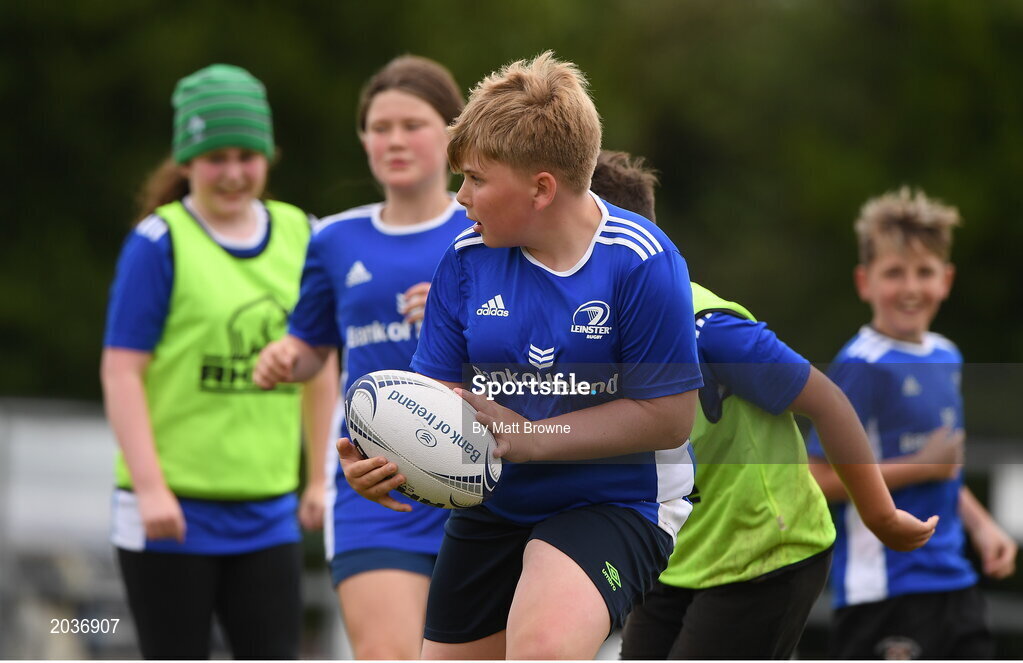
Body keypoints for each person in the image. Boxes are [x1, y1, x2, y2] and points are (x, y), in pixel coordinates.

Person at [332, 51, 703, 660]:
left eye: (477, 179)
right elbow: (434, 399)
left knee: (542, 649)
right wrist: (382, 454)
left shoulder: (640, 262)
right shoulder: (466, 259)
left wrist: (532, 436)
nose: (459, 197)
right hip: (495, 503)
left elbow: (670, 416)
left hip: (615, 501)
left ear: (541, 189)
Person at [588, 151, 938, 659]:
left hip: (767, 556)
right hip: (677, 555)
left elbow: (830, 402)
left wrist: (881, 517)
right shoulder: (582, 330)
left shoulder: (710, 331)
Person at [101, 64, 335, 659]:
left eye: (246, 155)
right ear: (186, 162)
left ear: (268, 156)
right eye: (215, 157)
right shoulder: (159, 243)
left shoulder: (303, 234)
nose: (233, 173)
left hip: (267, 512)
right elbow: (121, 371)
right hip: (170, 514)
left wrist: (317, 477)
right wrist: (152, 490)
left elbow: (321, 362)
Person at [252, 55, 466, 659]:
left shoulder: (486, 233)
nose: (394, 140)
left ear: (453, 131)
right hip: (375, 489)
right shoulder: (334, 240)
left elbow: (535, 349)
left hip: (482, 488)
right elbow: (309, 348)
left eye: (412, 124)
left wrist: (459, 322)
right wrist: (282, 359)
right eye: (379, 127)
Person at [807, 187, 1018, 659]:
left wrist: (982, 526)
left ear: (946, 279)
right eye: (894, 272)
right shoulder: (861, 365)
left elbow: (947, 465)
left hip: (955, 582)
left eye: (924, 272)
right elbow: (816, 479)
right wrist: (921, 467)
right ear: (865, 282)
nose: (910, 287)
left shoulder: (947, 355)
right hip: (886, 593)